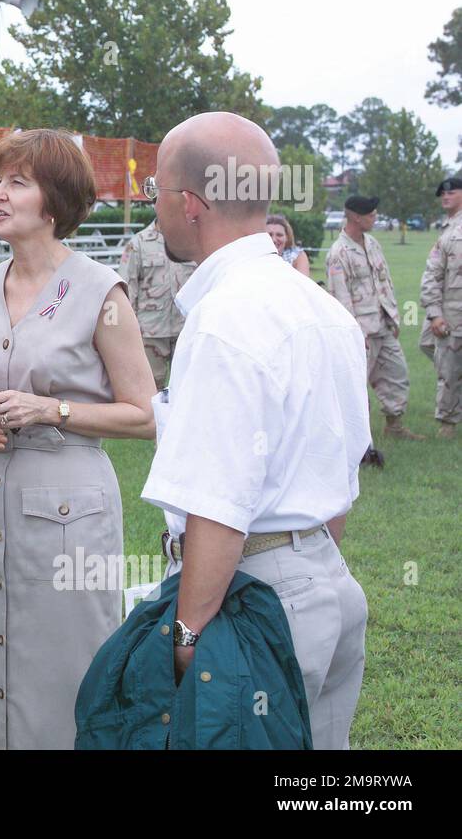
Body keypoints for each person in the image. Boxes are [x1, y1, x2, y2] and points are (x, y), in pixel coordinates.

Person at [140, 112, 370, 750]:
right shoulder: (323, 308)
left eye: (155, 191)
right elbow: (339, 477)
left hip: (255, 600)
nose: (153, 207)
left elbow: (218, 507)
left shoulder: (224, 320)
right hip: (328, 582)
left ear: (190, 203)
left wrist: (186, 638)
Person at [0, 130, 156, 749]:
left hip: (72, 510)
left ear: (54, 203)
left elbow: (145, 415)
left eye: (17, 183)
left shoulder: (101, 291)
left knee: (67, 669)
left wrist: (53, 409)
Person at [326, 195, 424, 442]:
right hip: (362, 331)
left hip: (383, 325)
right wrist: (354, 334)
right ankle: (358, 439)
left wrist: (393, 317)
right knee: (356, 385)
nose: (375, 218)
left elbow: (385, 281)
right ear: (356, 217)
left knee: (397, 374)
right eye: (371, 215)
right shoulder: (339, 253)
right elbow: (340, 297)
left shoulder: (372, 244)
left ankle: (395, 426)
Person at [118, 218, 195, 388]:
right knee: (149, 388)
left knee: (187, 386)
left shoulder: (190, 239)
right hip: (150, 332)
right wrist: (127, 331)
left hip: (185, 329)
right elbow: (126, 290)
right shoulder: (138, 243)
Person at [420, 176, 462, 439]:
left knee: (449, 368)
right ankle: (449, 420)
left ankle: (448, 423)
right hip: (449, 312)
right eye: (442, 194)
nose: (445, 197)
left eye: (452, 192)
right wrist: (435, 313)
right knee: (440, 358)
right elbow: (433, 273)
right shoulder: (448, 229)